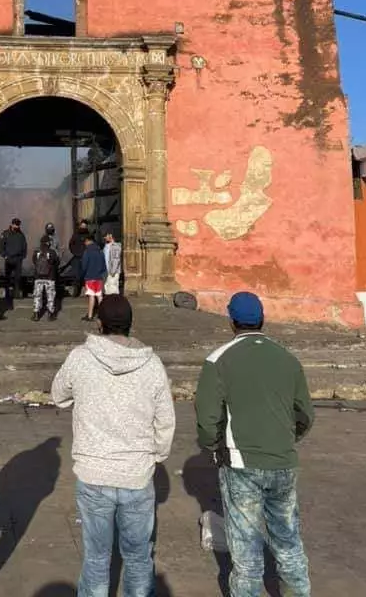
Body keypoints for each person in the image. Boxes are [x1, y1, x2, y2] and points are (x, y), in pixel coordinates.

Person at [51, 296, 176, 597]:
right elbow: (165, 420)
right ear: (132, 325)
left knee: (95, 558)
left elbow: (59, 395)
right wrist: (156, 454)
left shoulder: (81, 358)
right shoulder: (152, 364)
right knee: (138, 557)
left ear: (99, 323)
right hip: (136, 473)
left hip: (93, 471)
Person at [195, 291, 315, 597]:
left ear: (232, 322)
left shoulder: (218, 360)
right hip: (283, 461)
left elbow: (207, 419)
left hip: (240, 464)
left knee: (246, 550)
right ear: (262, 319)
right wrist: (288, 438)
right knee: (288, 541)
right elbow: (305, 414)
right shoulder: (287, 359)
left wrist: (212, 445)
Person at [0, 217, 28, 301]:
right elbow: (1, 246)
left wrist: (23, 256)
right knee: (7, 278)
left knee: (17, 278)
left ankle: (16, 294)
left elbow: (24, 246)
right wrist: (4, 255)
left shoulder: (21, 235)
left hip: (18, 259)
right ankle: (7, 294)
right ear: (12, 224)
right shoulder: (5, 234)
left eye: (18, 225)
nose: (17, 226)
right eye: (15, 224)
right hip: (8, 259)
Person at [32, 234, 60, 321]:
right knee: (50, 296)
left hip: (38, 277)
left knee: (37, 295)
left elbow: (34, 262)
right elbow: (56, 262)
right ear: (48, 243)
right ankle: (50, 314)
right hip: (50, 277)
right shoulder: (52, 252)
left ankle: (36, 314)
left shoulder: (36, 252)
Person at [80, 231, 107, 322]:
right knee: (99, 296)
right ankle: (104, 315)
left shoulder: (87, 251)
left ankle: (90, 315)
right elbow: (104, 265)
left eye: (85, 241)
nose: (84, 243)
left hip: (90, 277)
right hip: (99, 277)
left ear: (88, 241)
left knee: (91, 296)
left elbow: (84, 265)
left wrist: (83, 274)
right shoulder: (100, 251)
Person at [68, 219, 91, 297]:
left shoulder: (89, 235)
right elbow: (71, 245)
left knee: (87, 276)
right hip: (77, 258)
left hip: (87, 258)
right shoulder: (75, 235)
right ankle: (76, 292)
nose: (84, 227)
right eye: (82, 225)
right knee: (77, 276)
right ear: (80, 225)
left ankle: (88, 291)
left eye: (85, 226)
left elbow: (92, 244)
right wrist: (76, 253)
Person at [102, 231, 122, 296]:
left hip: (113, 272)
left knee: (113, 290)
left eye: (106, 235)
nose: (105, 237)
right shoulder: (105, 247)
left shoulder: (115, 246)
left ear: (110, 235)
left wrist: (112, 272)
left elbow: (116, 259)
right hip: (106, 272)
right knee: (107, 290)